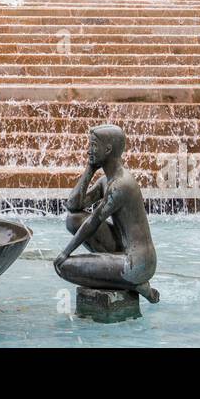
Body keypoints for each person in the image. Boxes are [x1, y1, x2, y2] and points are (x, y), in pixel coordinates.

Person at [53, 125, 160, 304]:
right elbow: (73, 206)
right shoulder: (106, 181)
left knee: (63, 267)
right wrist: (90, 169)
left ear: (108, 150)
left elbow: (93, 222)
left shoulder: (120, 185)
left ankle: (134, 283)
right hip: (123, 249)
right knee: (74, 220)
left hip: (137, 263)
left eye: (93, 145)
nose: (88, 151)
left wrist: (65, 253)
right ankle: (121, 277)